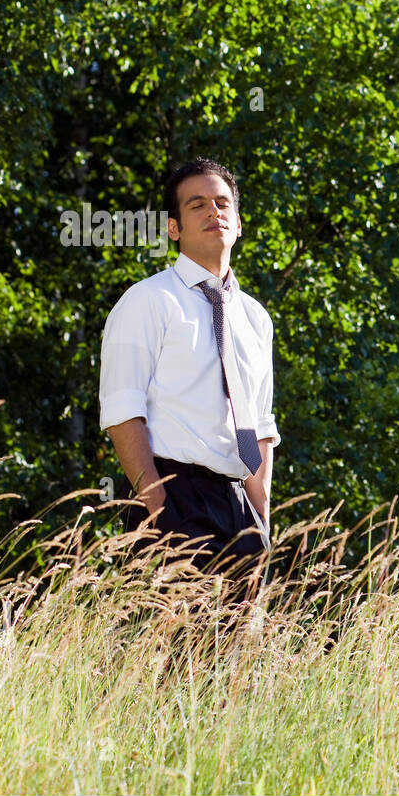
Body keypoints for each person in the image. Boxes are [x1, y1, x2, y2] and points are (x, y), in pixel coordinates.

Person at [99, 158, 279, 573]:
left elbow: (260, 423)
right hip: (174, 498)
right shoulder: (147, 300)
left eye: (222, 204)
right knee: (178, 638)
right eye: (197, 205)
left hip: (241, 510)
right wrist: (158, 510)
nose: (213, 212)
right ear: (173, 228)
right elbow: (123, 409)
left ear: (237, 223)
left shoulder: (256, 318)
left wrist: (261, 513)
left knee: (240, 639)